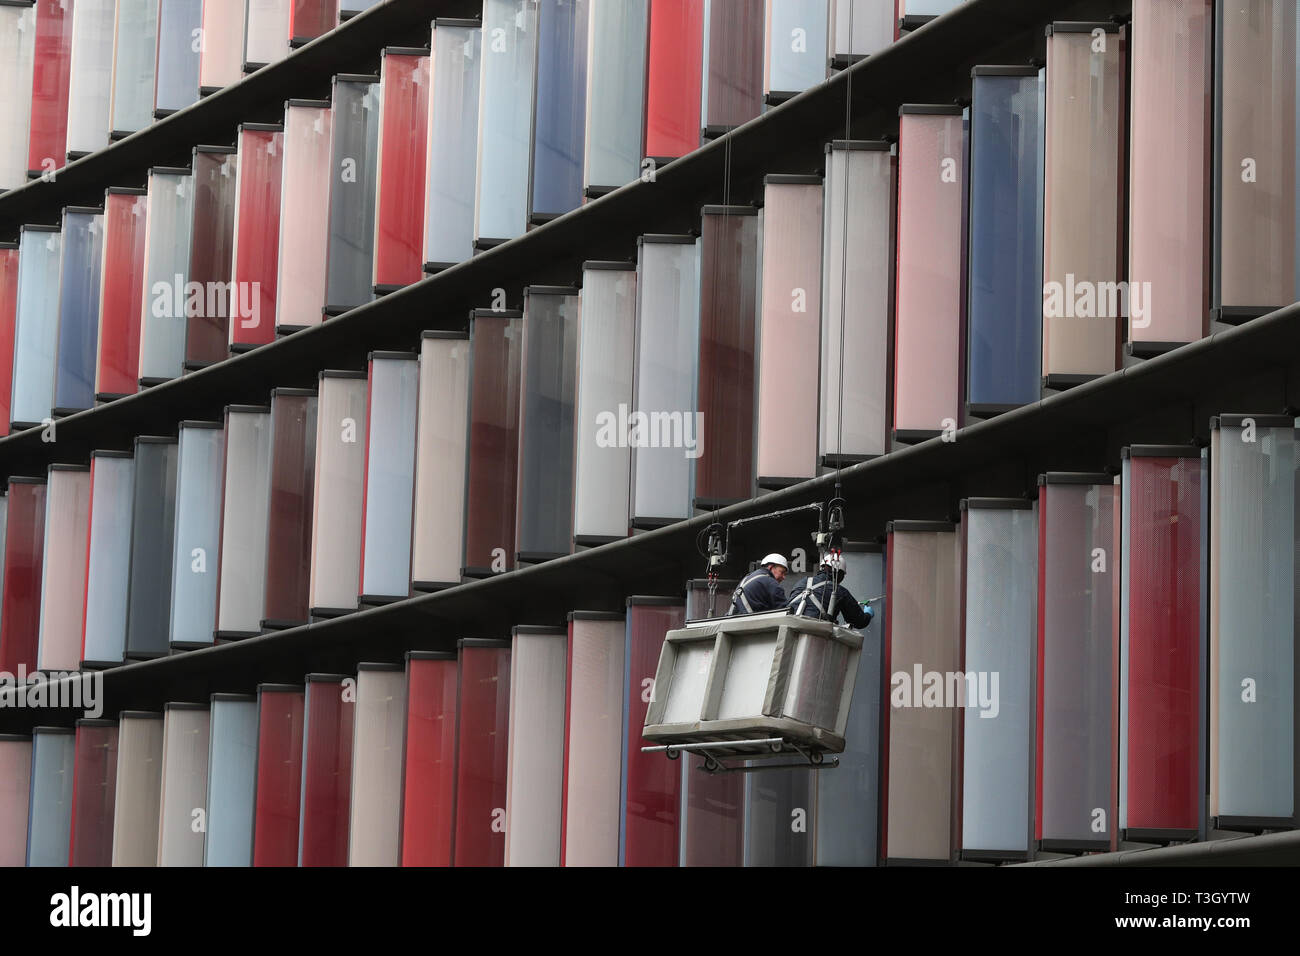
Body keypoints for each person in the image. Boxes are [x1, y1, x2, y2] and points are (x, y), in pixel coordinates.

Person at [786, 551, 874, 629]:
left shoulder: (801, 582)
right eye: (842, 575)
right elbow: (859, 622)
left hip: (790, 631)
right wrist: (868, 614)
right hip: (816, 638)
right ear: (839, 573)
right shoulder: (838, 590)